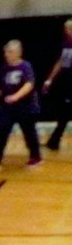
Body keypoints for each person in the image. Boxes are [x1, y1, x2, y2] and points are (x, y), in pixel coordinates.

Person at [0, 40, 42, 169]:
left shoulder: (25, 66)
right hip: (8, 108)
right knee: (2, 131)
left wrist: (16, 97)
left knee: (29, 132)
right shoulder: (4, 68)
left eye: (10, 52)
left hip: (26, 106)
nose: (6, 54)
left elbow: (29, 84)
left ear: (18, 53)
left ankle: (35, 156)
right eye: (5, 52)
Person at [42, 18, 72, 150]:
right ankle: (53, 142)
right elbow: (61, 62)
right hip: (67, 83)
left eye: (70, 29)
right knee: (64, 113)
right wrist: (49, 80)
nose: (67, 32)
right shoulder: (66, 44)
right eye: (66, 29)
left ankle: (53, 141)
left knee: (65, 113)